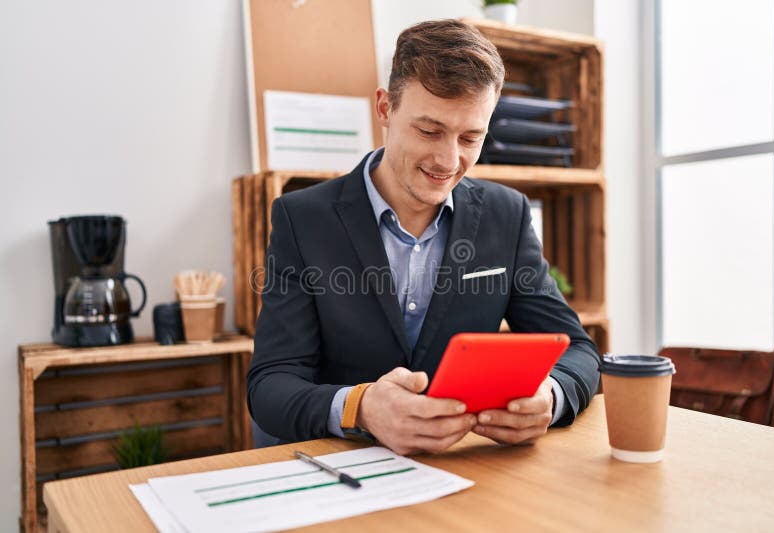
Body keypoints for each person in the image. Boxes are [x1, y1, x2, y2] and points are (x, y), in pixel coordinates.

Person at [247, 19, 600, 455]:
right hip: (343, 463)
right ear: (385, 109)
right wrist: (361, 408)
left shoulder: (505, 215)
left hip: (461, 465)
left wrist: (549, 395)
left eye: (470, 137)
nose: (448, 161)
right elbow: (271, 384)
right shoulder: (302, 218)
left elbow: (579, 350)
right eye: (429, 131)